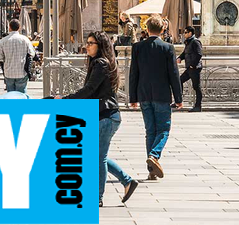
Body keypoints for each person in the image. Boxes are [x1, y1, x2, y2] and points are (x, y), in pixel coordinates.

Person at [62, 31, 139, 207]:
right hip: (104, 115)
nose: (87, 46)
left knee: (98, 157)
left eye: (91, 43)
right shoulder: (100, 63)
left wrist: (66, 100)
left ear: (100, 46)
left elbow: (89, 89)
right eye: (87, 42)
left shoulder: (101, 64)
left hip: (106, 117)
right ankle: (127, 181)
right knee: (96, 155)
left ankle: (97, 197)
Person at [128, 16, 182, 180]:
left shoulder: (137, 47)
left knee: (150, 130)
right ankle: (154, 155)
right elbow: (174, 74)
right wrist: (178, 97)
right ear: (163, 30)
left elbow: (133, 74)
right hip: (162, 94)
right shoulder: (167, 47)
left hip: (144, 94)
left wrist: (133, 97)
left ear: (147, 29)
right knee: (164, 129)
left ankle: (151, 169)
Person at [0, 19, 35, 94]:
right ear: (19, 27)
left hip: (8, 72)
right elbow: (32, 53)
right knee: (21, 95)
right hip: (22, 71)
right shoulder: (25, 39)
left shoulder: (3, 40)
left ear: (9, 27)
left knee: (10, 95)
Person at [178, 25, 204, 112]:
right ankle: (179, 101)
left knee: (196, 87)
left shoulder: (195, 42)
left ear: (190, 33)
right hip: (190, 68)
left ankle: (198, 106)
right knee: (180, 80)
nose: (184, 34)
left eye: (185, 32)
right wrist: (179, 58)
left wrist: (193, 65)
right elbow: (185, 52)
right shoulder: (188, 42)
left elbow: (199, 54)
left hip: (194, 68)